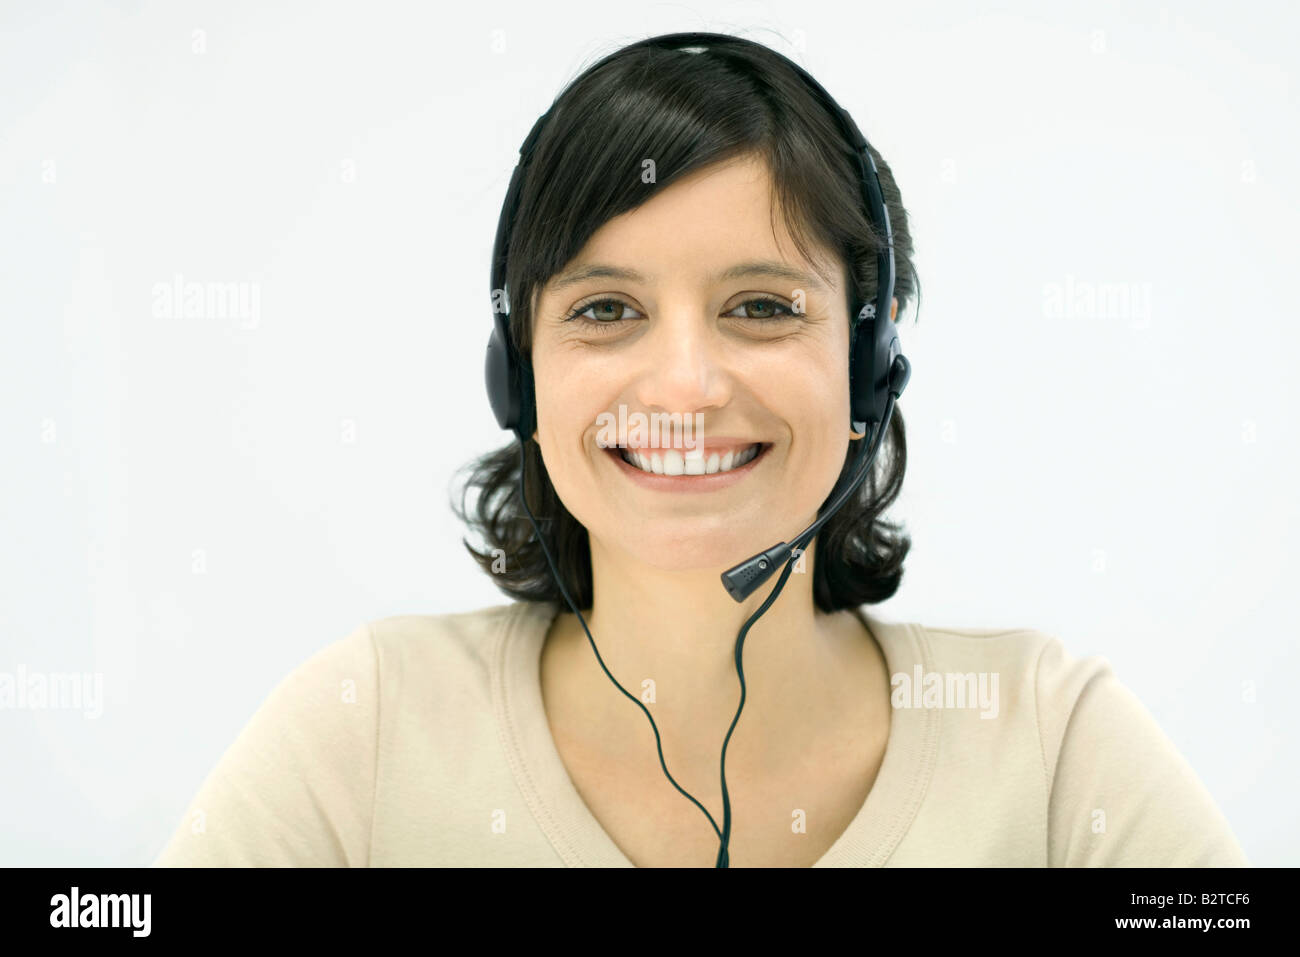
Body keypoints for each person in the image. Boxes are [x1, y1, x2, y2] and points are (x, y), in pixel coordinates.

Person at [152, 31, 1248, 868]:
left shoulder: (1051, 748)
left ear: (869, 368)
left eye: (763, 306)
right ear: (517, 375)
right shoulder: (368, 730)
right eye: (603, 310)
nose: (684, 382)